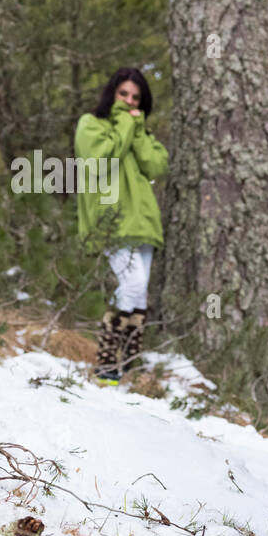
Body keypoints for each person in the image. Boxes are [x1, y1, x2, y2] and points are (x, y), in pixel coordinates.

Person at [74, 67, 168, 384]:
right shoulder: (91, 125)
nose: (129, 100)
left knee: (139, 293)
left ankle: (128, 366)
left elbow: (156, 164)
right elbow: (101, 160)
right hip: (111, 223)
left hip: (142, 223)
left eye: (136, 97)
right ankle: (104, 363)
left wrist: (137, 131)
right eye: (124, 93)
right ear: (112, 93)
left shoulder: (141, 134)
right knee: (131, 285)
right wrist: (127, 123)